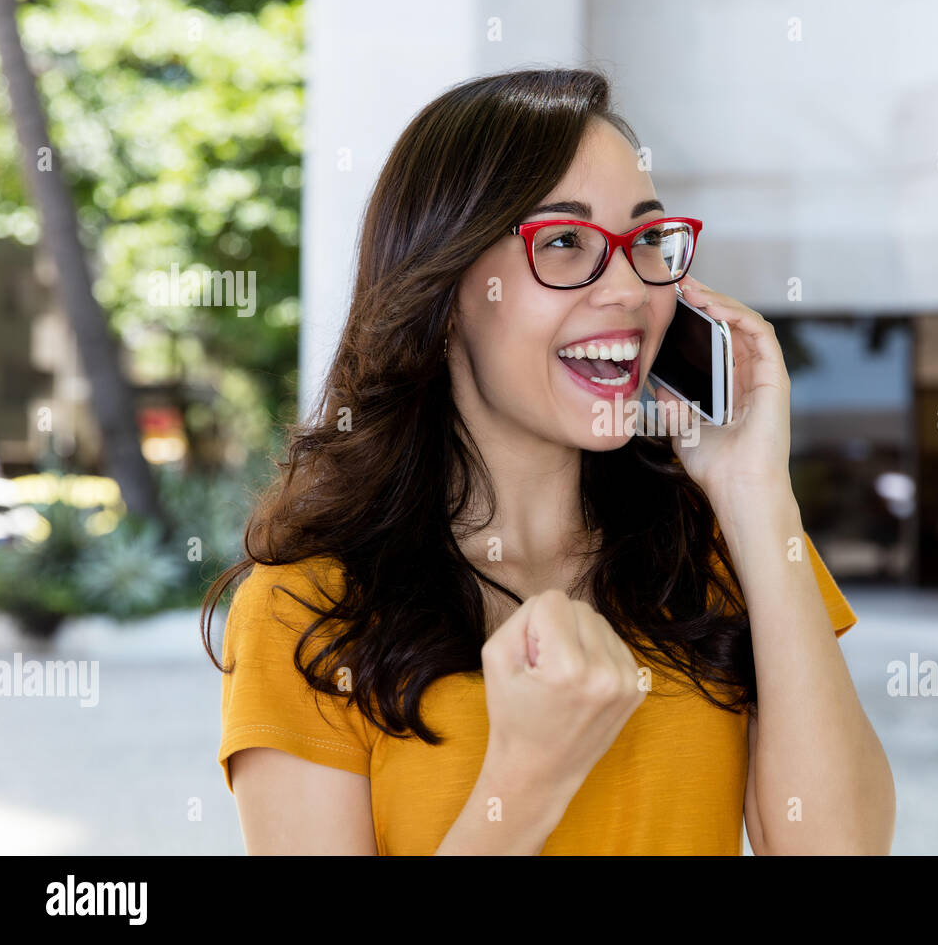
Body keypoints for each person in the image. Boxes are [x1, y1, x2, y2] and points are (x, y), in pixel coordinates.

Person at [200, 67, 895, 855]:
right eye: (565, 242)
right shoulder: (307, 605)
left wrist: (755, 491)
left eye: (645, 241)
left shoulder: (720, 548)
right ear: (447, 284)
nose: (631, 289)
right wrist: (527, 778)